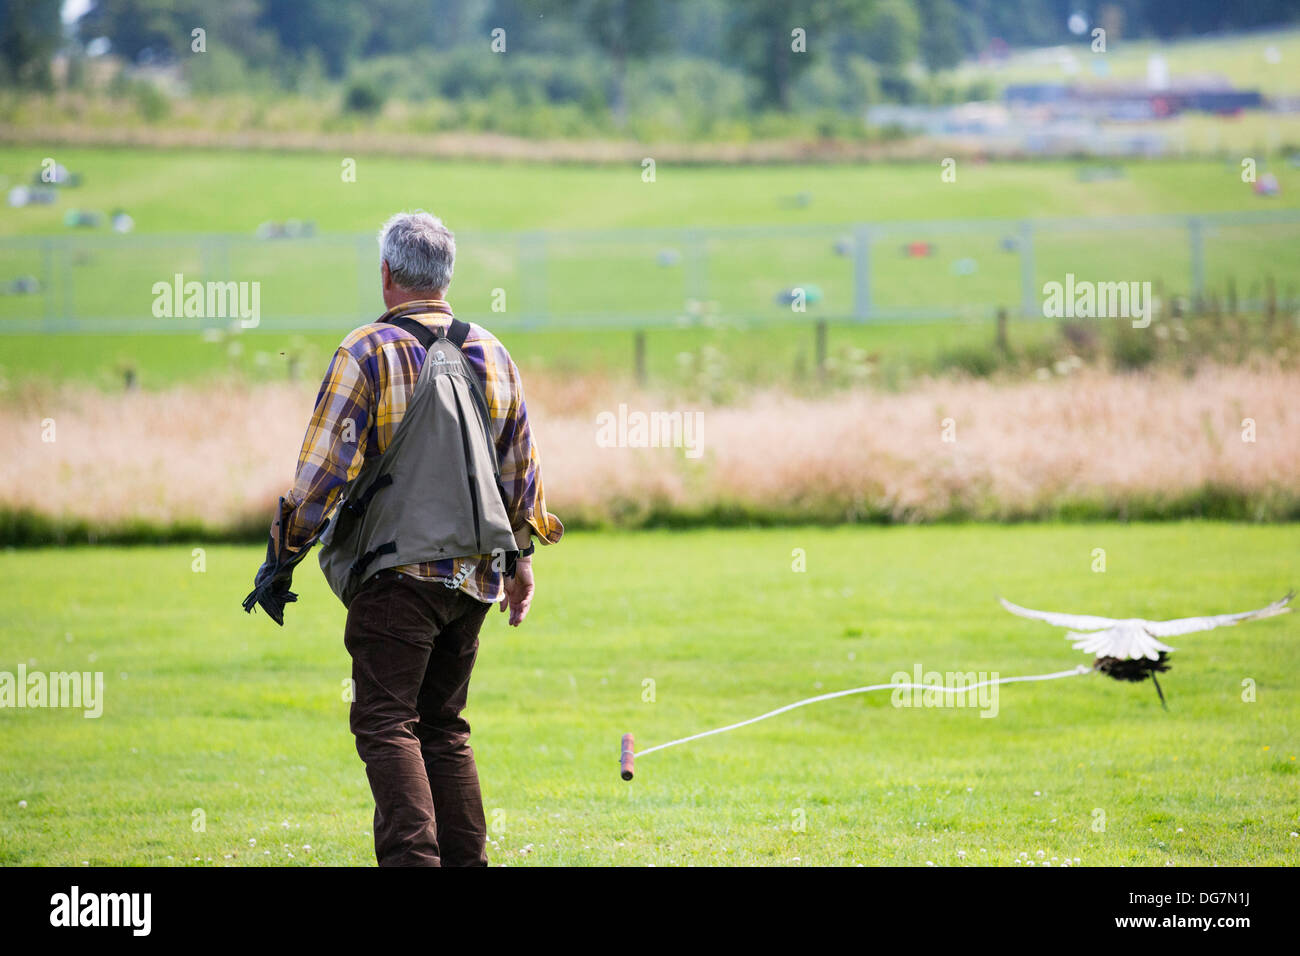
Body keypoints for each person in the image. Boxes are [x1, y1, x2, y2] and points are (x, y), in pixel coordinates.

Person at [248, 210, 563, 866]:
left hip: (397, 578)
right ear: (446, 277)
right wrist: (521, 563)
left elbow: (321, 476)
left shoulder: (366, 350)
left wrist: (282, 554)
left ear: (388, 274)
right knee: (444, 729)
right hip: (476, 577)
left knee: (387, 723)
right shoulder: (492, 352)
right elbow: (521, 474)